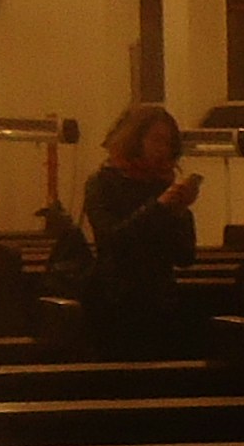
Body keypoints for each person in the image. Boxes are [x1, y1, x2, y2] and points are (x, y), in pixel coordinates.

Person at [81, 101, 202, 351]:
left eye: (168, 143)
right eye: (157, 140)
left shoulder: (164, 184)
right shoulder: (103, 182)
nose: (163, 149)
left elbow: (185, 256)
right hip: (114, 300)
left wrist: (179, 211)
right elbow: (113, 241)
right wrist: (160, 207)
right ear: (135, 139)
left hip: (160, 301)